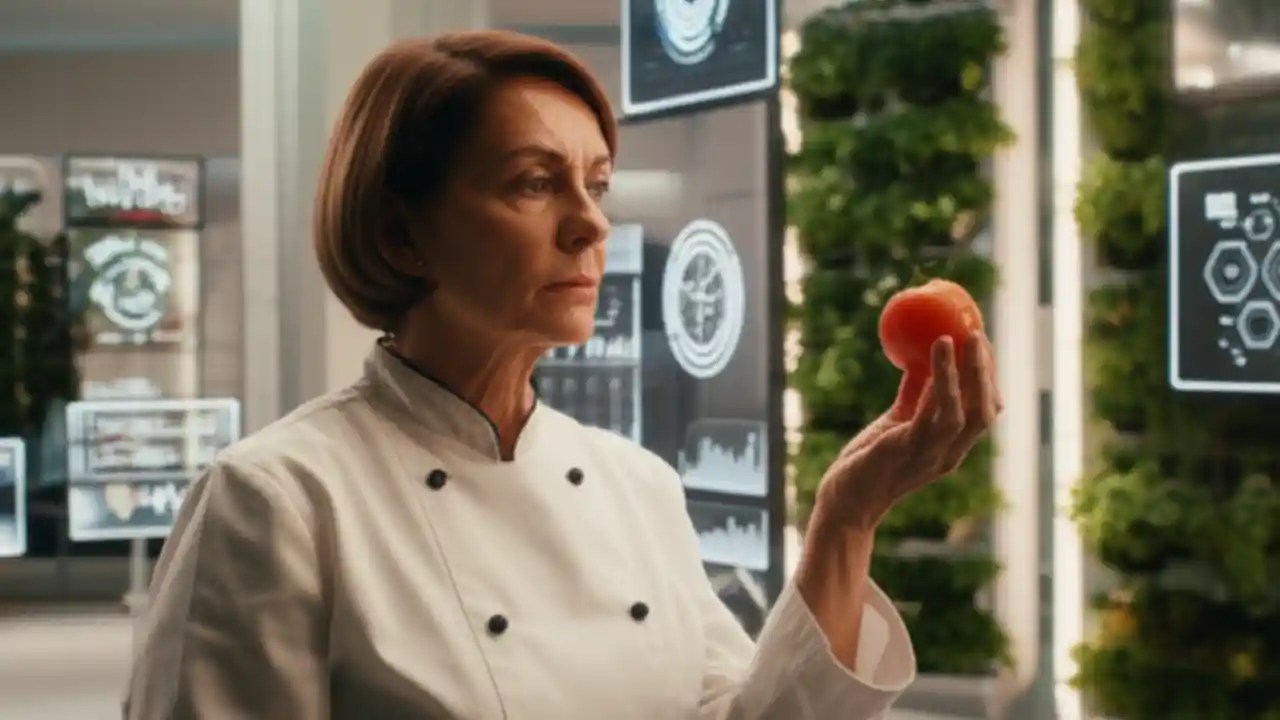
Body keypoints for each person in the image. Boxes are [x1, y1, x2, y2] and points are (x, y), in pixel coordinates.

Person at [123, 30, 1000, 720]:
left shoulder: (639, 486)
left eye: (598, 184)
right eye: (534, 184)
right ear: (401, 235)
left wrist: (847, 519)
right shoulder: (277, 499)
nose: (590, 226)